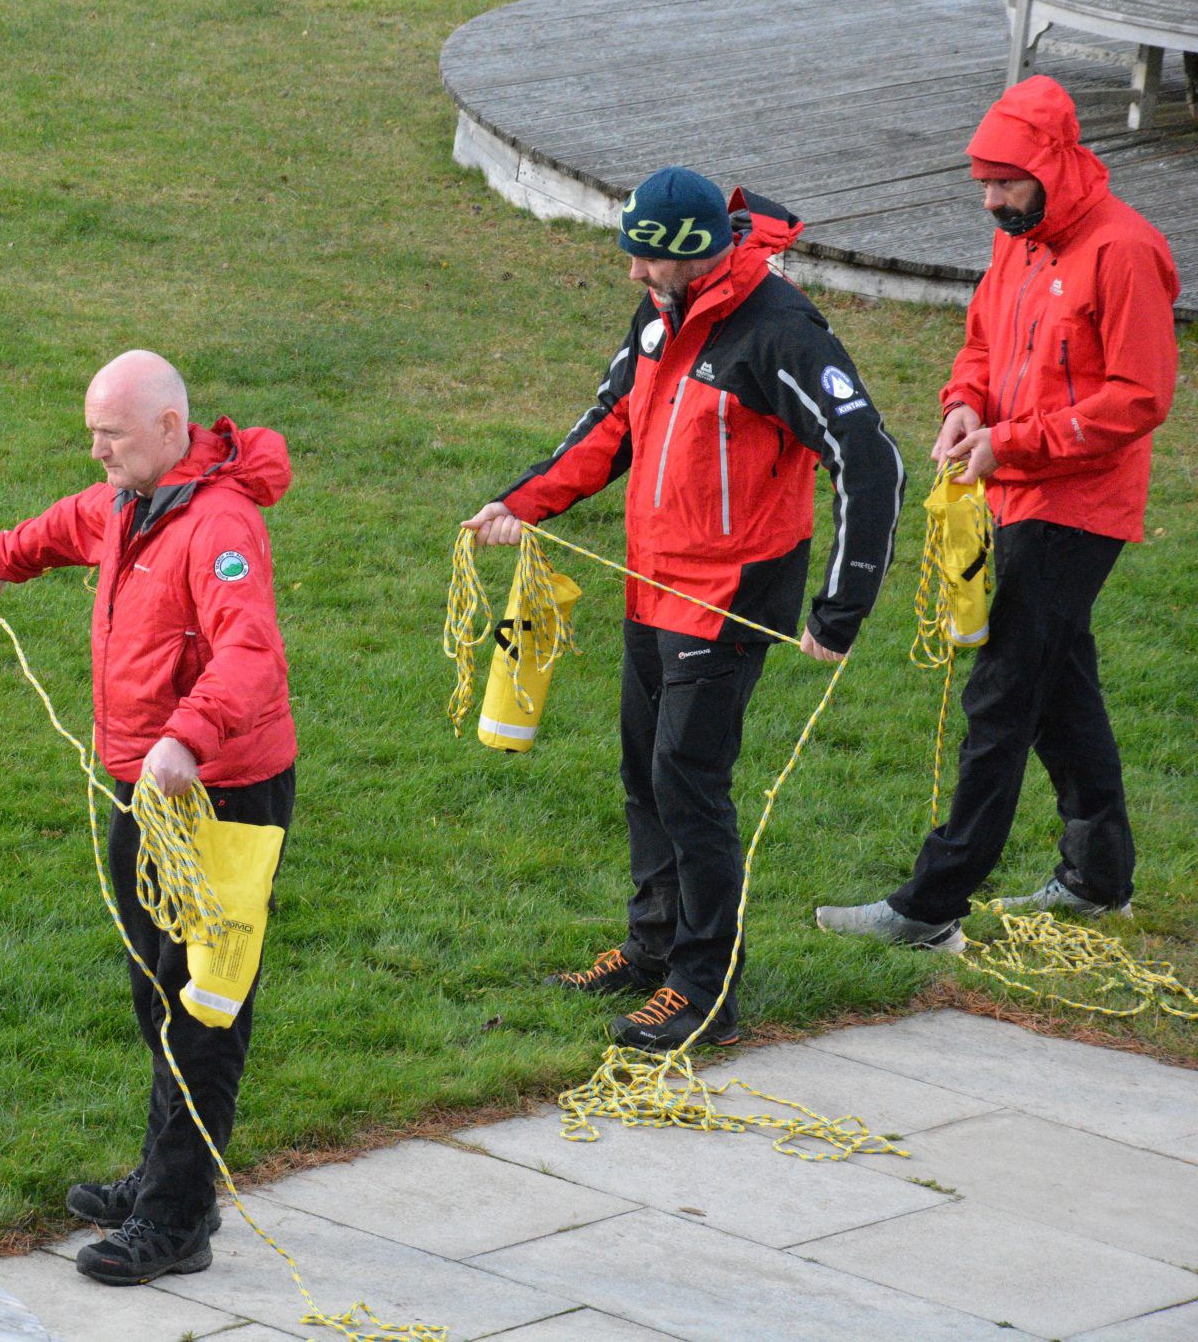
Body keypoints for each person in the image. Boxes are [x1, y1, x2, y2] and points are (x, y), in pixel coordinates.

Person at [464, 167, 905, 1052]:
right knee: (643, 775)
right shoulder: (662, 316)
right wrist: (522, 502)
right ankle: (653, 947)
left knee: (688, 785)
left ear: (694, 257)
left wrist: (842, 604)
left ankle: (705, 987)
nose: (630, 273)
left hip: (732, 596)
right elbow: (609, 426)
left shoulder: (779, 334)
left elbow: (872, 457)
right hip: (652, 583)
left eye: (645, 258)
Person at [0, 350, 295, 1285]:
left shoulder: (220, 524)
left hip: (217, 794)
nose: (95, 447)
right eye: (92, 430)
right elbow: (70, 523)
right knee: (158, 992)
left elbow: (251, 651)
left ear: (168, 429)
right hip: (147, 786)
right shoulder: (130, 503)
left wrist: (188, 737)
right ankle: (162, 1175)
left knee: (202, 1008)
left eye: (109, 432)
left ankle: (178, 1221)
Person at [816, 76, 1178, 950]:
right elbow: (982, 341)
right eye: (983, 182)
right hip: (1014, 487)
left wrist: (1013, 445)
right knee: (1058, 680)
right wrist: (964, 403)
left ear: (1052, 166)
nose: (990, 199)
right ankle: (1099, 878)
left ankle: (929, 906)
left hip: (1079, 503)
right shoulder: (1017, 239)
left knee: (1002, 691)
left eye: (1004, 182)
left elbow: (1139, 398)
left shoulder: (1125, 251)